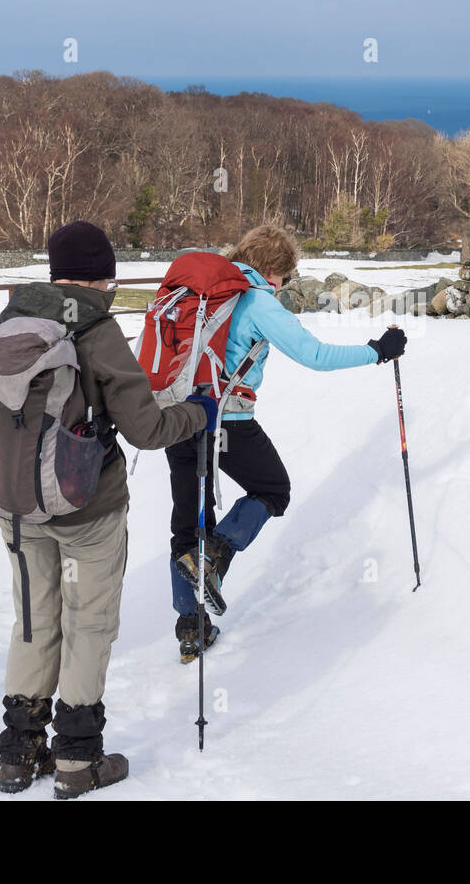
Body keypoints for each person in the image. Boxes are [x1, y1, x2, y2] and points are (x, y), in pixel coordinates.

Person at [0, 221, 210, 799]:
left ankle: (18, 755)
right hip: (87, 507)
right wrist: (199, 412)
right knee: (89, 623)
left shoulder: (12, 318)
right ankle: (77, 761)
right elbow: (146, 429)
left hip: (17, 504)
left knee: (34, 621)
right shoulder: (97, 327)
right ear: (103, 276)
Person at [166, 225, 406, 661]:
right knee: (273, 490)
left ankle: (190, 629)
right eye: (286, 276)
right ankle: (215, 556)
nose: (284, 285)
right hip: (227, 420)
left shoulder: (192, 295)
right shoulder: (256, 300)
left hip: (174, 417)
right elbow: (315, 356)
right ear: (274, 269)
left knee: (187, 525)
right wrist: (378, 350)